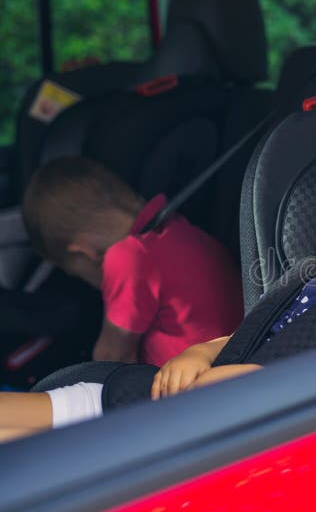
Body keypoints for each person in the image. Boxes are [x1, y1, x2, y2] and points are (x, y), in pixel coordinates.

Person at [0, 124, 316, 442]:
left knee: (78, 418)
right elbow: (247, 336)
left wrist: (255, 383)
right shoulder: (306, 282)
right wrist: (201, 352)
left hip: (236, 428)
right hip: (192, 403)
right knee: (66, 406)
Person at [21, 156, 243, 366]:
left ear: (83, 252)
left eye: (77, 273)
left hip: (189, 392)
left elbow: (111, 357)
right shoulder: (175, 227)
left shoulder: (128, 258)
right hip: (237, 353)